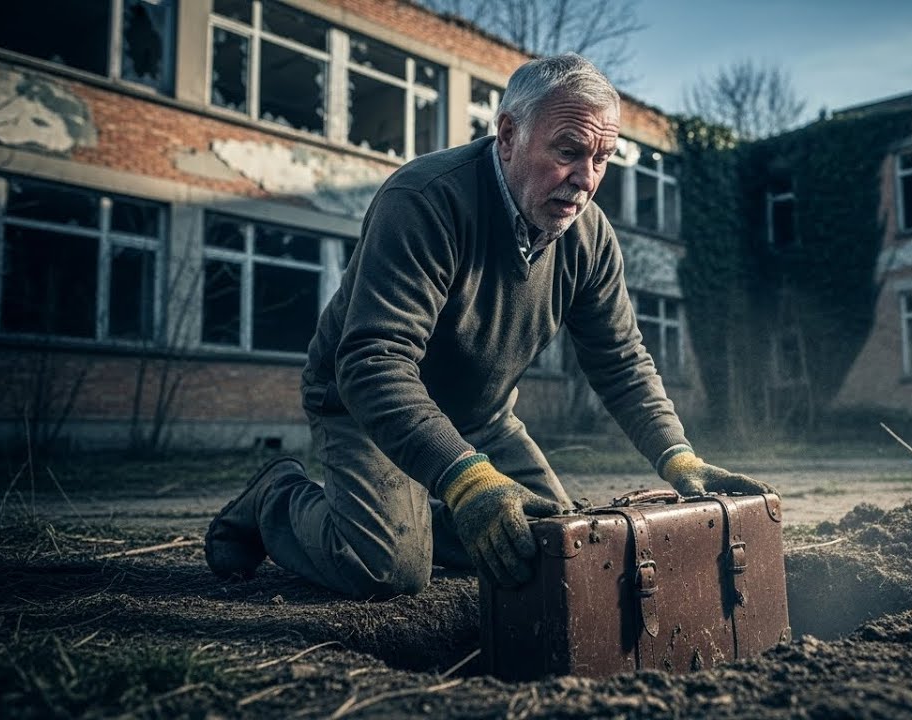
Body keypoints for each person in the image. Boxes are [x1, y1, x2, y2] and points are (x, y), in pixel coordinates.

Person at [204, 53, 774, 599]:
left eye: (602, 159)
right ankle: (275, 498)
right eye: (568, 151)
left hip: (482, 420)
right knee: (386, 568)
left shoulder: (590, 235)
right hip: (365, 406)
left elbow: (621, 360)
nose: (585, 179)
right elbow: (372, 362)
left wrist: (680, 459)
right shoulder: (426, 200)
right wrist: (466, 479)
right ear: (507, 136)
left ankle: (415, 511)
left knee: (555, 545)